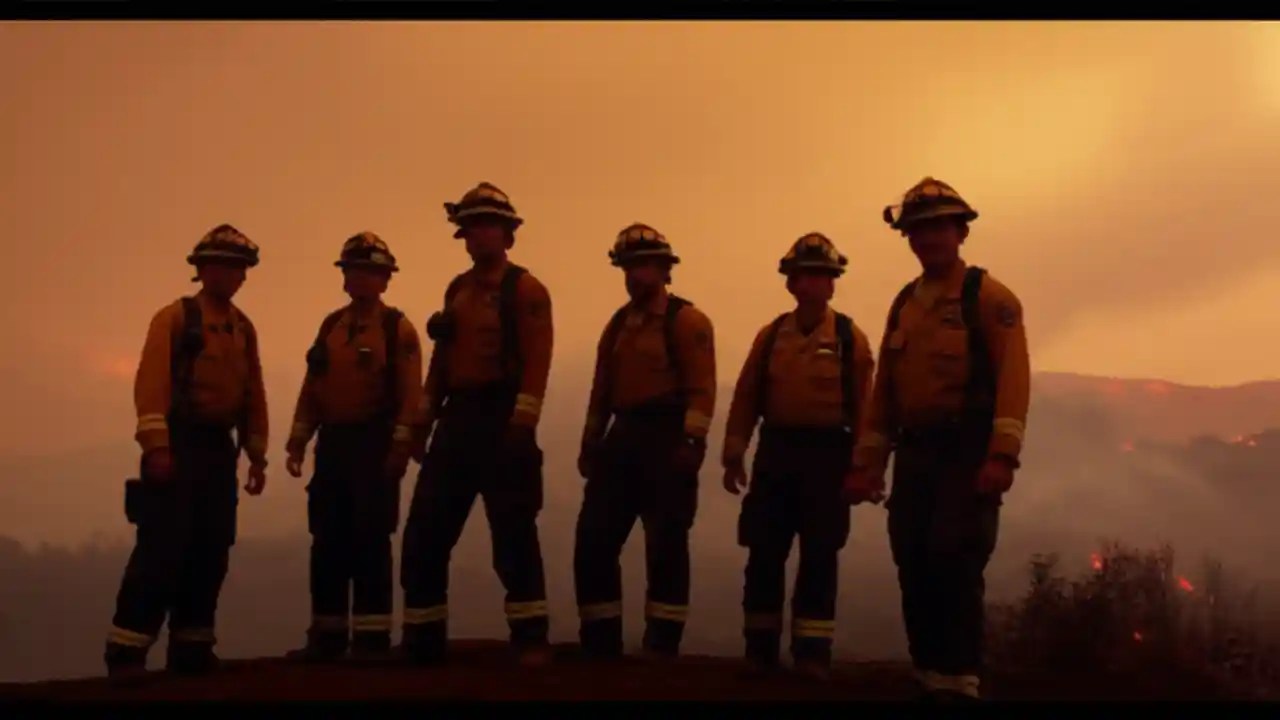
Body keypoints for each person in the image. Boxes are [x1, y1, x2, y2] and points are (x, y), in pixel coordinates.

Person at [844, 177, 1031, 701]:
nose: (927, 239)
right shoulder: (905, 304)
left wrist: (1002, 456)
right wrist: (867, 463)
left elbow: (1014, 382)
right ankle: (927, 672)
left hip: (965, 452)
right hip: (915, 452)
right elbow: (885, 394)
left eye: (938, 228)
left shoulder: (989, 299)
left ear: (961, 232)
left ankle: (960, 677)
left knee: (956, 559)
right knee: (912, 557)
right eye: (917, 230)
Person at [104, 223, 269, 679]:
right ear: (202, 269)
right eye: (225, 266)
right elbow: (150, 386)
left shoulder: (242, 328)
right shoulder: (174, 319)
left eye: (240, 268)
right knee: (161, 549)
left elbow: (253, 393)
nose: (234, 276)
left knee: (211, 548)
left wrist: (256, 455)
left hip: (219, 450)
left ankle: (192, 648)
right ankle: (127, 651)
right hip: (179, 444)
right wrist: (157, 447)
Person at [400, 182, 555, 667]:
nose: (478, 235)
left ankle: (530, 638)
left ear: (507, 235)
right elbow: (441, 365)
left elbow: (537, 361)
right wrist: (422, 423)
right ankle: (423, 640)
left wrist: (522, 424)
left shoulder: (525, 290)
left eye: (487, 226)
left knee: (513, 533)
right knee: (425, 532)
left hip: (502, 418)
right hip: (458, 420)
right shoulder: (458, 290)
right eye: (470, 228)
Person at [721, 233, 874, 679]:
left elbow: (866, 409)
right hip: (776, 452)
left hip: (829, 456)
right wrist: (734, 453)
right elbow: (746, 398)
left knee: (820, 555)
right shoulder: (771, 337)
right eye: (801, 276)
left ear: (832, 283)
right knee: (764, 551)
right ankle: (760, 650)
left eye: (818, 276)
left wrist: (863, 467)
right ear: (789, 283)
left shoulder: (849, 338)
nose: (808, 284)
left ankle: (812, 654)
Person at [574, 222, 717, 660]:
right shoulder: (619, 324)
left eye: (644, 266)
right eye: (629, 267)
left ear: (665, 270)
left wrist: (692, 441)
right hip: (622, 438)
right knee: (595, 539)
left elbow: (701, 389)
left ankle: (662, 643)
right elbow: (602, 389)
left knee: (666, 543)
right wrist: (591, 441)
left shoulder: (686, 321)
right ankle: (600, 641)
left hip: (667, 436)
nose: (635, 275)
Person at [284, 233, 422, 663]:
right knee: (327, 540)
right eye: (353, 271)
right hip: (333, 446)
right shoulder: (331, 327)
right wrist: (298, 440)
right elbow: (313, 386)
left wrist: (400, 448)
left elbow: (410, 396)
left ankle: (372, 640)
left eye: (368, 272)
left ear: (385, 279)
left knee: (370, 540)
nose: (359, 279)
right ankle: (327, 637)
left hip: (374, 444)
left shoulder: (396, 329)